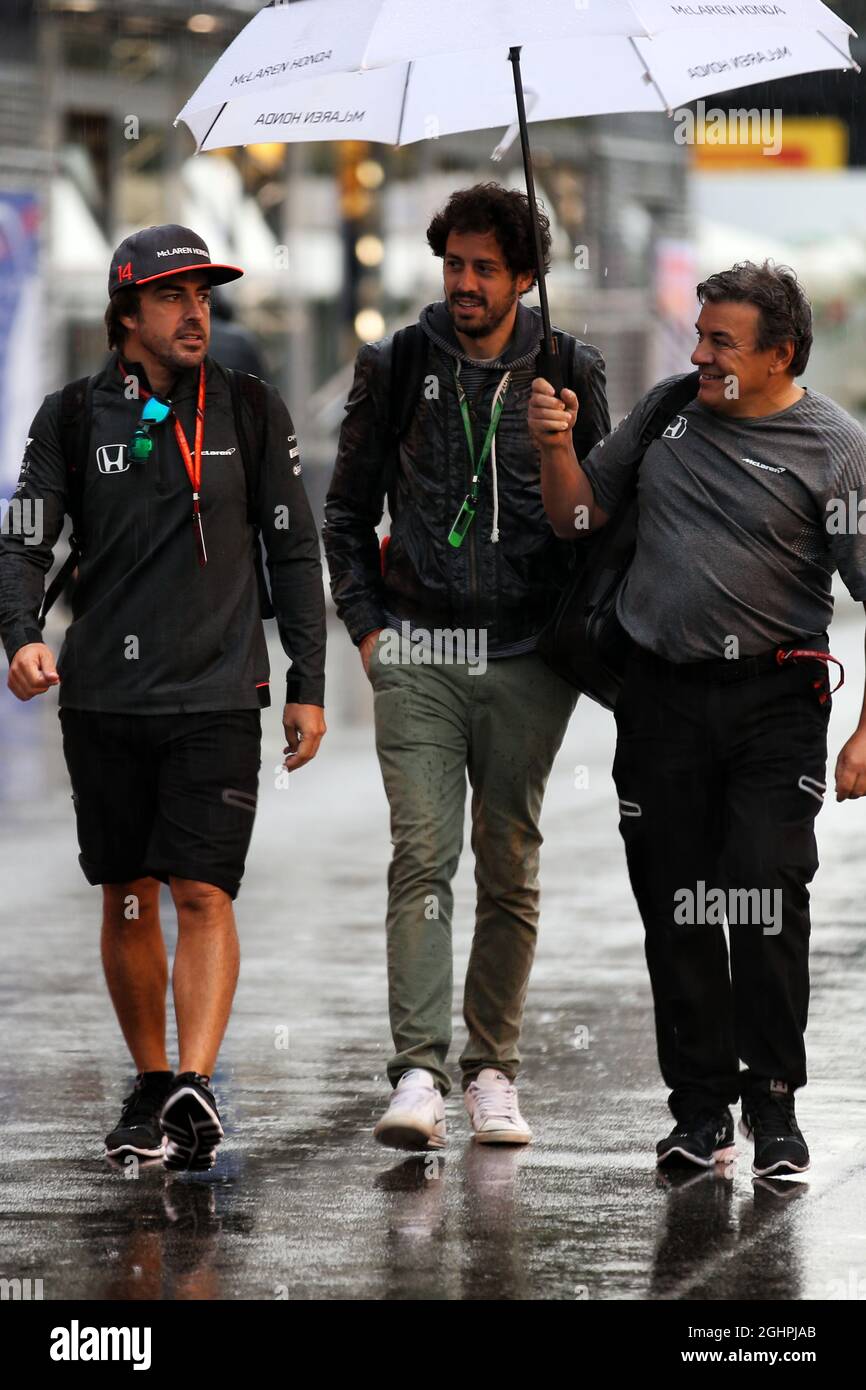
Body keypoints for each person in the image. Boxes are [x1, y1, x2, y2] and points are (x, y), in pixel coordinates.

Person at [0, 224, 327, 1171]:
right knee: (129, 895)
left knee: (203, 890)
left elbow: (293, 549)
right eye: (173, 296)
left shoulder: (250, 406)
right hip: (104, 698)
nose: (196, 313)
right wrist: (21, 636)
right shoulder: (69, 416)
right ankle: (152, 1086)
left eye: (204, 297)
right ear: (126, 312)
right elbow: (22, 539)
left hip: (219, 693)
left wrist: (306, 682)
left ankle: (196, 1080)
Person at [530, 260, 866, 1177]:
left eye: (722, 342)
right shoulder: (668, 411)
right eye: (700, 335)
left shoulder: (836, 448)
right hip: (661, 700)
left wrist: (863, 735)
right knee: (675, 903)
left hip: (776, 703)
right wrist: (555, 446)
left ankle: (775, 1103)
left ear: (780, 354)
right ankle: (701, 1111)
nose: (701, 355)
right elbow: (576, 518)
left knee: (764, 889)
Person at [325, 183, 609, 1150]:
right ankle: (418, 1073)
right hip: (419, 648)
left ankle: (493, 1072)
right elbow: (345, 513)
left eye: (486, 268)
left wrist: (561, 444)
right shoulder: (398, 362)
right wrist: (369, 632)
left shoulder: (570, 369)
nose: (465, 283)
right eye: (454, 264)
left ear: (525, 277)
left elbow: (598, 521)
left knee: (509, 863)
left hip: (529, 654)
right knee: (422, 856)